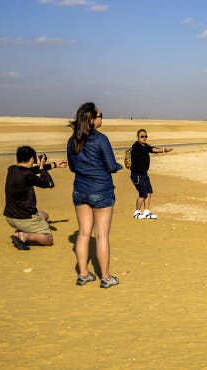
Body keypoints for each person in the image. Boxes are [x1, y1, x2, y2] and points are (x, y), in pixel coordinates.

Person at [67, 102, 122, 288]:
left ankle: (83, 274)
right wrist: (117, 167)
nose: (101, 118)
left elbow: (73, 166)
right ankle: (105, 278)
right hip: (101, 191)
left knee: (83, 233)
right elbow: (110, 165)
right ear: (91, 120)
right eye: (100, 115)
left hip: (80, 191)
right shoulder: (100, 139)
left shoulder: (72, 140)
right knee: (101, 236)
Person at [3, 146, 67, 250]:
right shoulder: (27, 175)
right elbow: (49, 184)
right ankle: (24, 236)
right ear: (32, 159)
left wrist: (54, 165)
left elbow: (31, 170)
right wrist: (41, 166)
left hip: (10, 216)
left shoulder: (12, 169)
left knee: (45, 215)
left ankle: (20, 231)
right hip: (24, 217)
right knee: (48, 238)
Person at [130, 129, 173, 219]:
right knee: (143, 193)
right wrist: (161, 150)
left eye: (146, 136)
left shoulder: (145, 146)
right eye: (142, 136)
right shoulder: (136, 146)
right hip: (136, 174)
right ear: (137, 137)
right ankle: (137, 212)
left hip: (144, 173)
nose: (144, 138)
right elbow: (151, 149)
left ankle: (146, 212)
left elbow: (152, 149)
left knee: (149, 192)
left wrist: (164, 150)